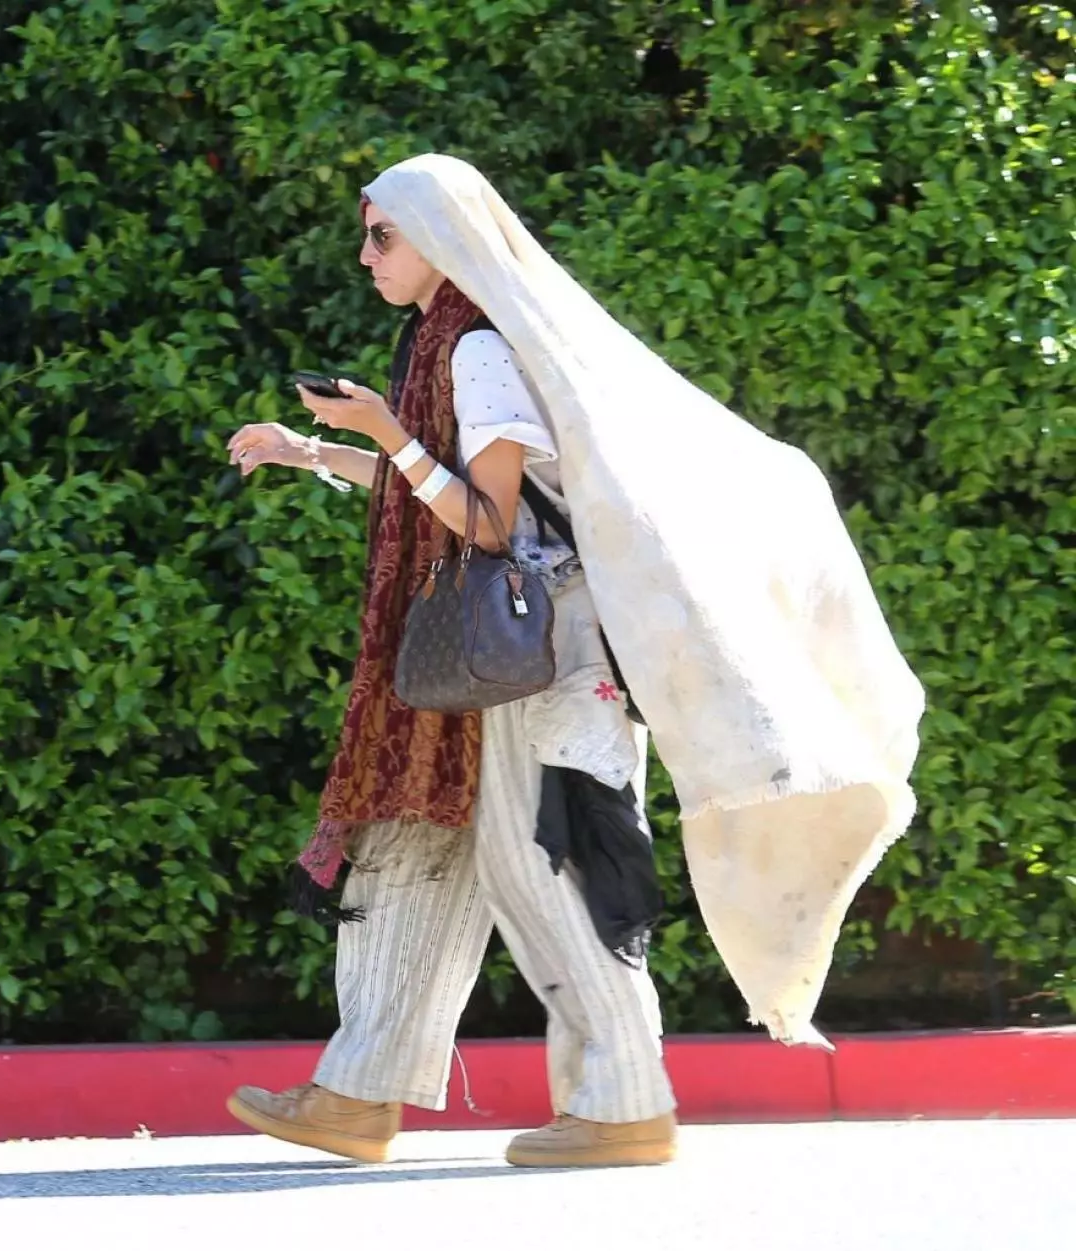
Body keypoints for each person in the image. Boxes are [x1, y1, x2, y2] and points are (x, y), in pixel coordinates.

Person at [224, 154, 925, 1167]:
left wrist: (381, 427)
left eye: (384, 235)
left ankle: (627, 1102)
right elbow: (441, 484)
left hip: (547, 647)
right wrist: (317, 449)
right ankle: (357, 1091)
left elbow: (487, 518)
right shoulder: (440, 342)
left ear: (445, 242)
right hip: (501, 646)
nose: (365, 253)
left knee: (543, 862)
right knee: (419, 851)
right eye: (366, 233)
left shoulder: (478, 352)